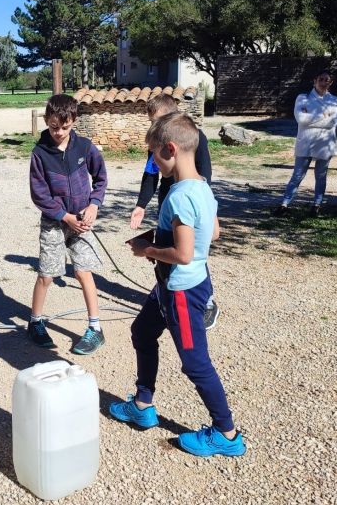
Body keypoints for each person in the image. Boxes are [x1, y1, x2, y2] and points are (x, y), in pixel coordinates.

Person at [110, 112, 246, 458]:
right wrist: (161, 236)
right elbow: (212, 232)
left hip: (181, 291)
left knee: (195, 363)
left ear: (170, 149)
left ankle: (226, 434)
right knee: (142, 332)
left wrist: (147, 249)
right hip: (171, 285)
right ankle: (143, 404)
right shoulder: (202, 187)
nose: (154, 162)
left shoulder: (177, 196)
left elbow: (184, 253)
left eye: (154, 155)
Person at [130, 94, 219, 330]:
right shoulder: (158, 143)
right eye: (151, 122)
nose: (154, 127)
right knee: (169, 245)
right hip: (170, 202)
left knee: (189, 249)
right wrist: (141, 204)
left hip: (188, 201)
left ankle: (205, 300)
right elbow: (150, 174)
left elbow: (205, 174)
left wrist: (201, 203)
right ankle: (165, 294)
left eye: (157, 121)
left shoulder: (193, 138)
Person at [28, 94, 108, 355]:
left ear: (74, 121)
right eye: (53, 127)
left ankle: (95, 328)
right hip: (55, 221)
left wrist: (94, 204)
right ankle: (35, 321)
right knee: (47, 274)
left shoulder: (85, 147)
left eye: (65, 127)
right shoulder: (40, 153)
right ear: (46, 120)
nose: (59, 132)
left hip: (82, 220)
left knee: (84, 271)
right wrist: (64, 216)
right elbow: (39, 193)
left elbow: (100, 178)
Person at [273, 70, 337, 217]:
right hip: (306, 141)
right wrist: (323, 116)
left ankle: (317, 205)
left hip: (325, 143)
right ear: (315, 80)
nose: (323, 83)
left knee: (321, 175)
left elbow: (333, 121)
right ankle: (284, 204)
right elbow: (301, 119)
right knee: (298, 175)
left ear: (331, 83)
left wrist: (312, 117)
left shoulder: (335, 101)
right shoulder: (303, 98)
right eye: (321, 79)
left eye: (327, 80)